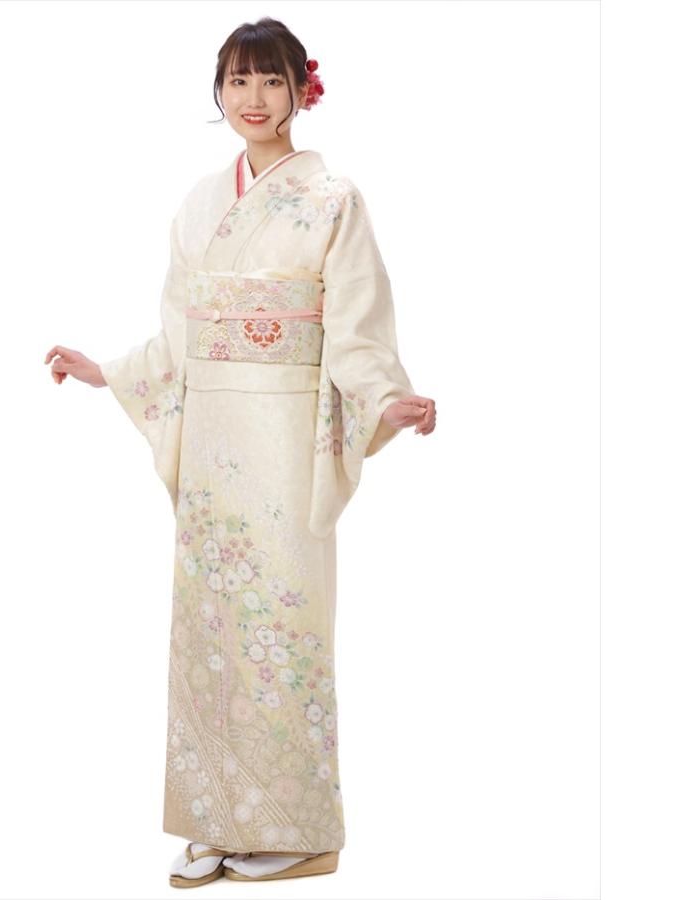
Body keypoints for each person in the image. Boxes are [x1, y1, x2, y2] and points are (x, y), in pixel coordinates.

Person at [45, 16, 437, 887]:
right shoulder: (197, 204)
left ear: (303, 89)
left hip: (288, 439)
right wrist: (108, 372)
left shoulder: (335, 200)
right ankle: (219, 818)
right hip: (215, 441)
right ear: (218, 91)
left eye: (270, 80)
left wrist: (384, 398)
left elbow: (355, 327)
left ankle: (299, 828)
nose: (252, 98)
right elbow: (180, 335)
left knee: (283, 629)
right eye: (236, 80)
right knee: (212, 634)